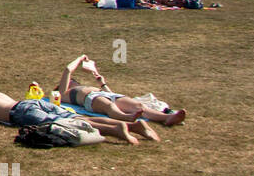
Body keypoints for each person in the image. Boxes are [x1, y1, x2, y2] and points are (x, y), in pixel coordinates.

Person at [0, 81, 144, 145]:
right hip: (29, 103)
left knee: (66, 125)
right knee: (73, 117)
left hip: (19, 113)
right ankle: (132, 125)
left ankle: (116, 129)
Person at [56, 55, 185, 128]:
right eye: (72, 80)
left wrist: (102, 84)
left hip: (106, 94)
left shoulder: (83, 87)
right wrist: (80, 58)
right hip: (90, 98)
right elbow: (68, 70)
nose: (73, 81)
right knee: (109, 106)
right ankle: (126, 117)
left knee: (138, 106)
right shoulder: (64, 93)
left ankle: (167, 118)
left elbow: (111, 94)